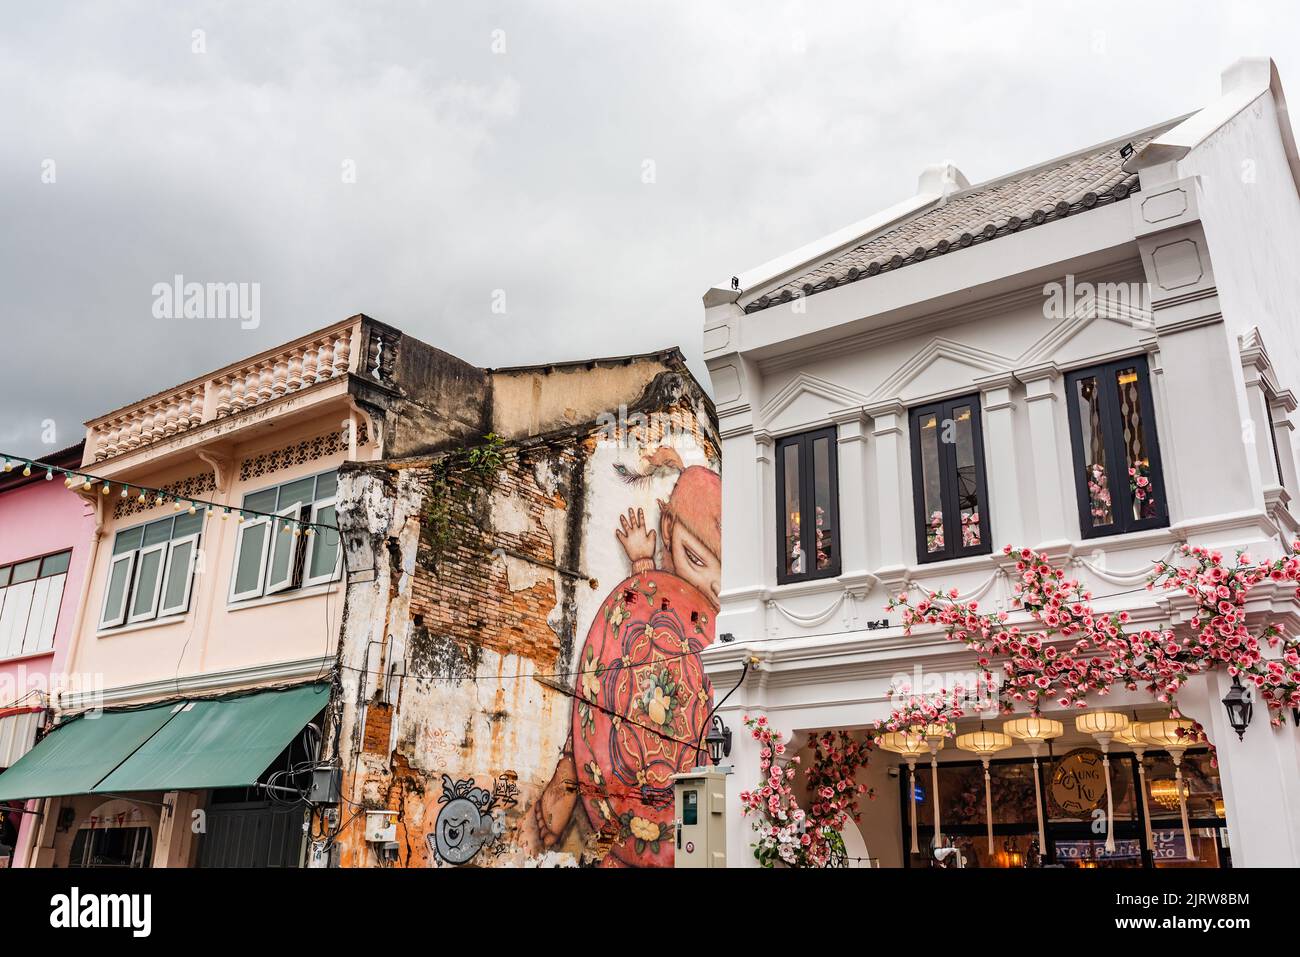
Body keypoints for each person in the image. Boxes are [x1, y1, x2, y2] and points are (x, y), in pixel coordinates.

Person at [525, 448, 720, 865]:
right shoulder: (649, 606)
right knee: (596, 714)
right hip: (620, 736)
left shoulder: (711, 632)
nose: (705, 582)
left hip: (662, 779)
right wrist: (641, 560)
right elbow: (637, 617)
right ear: (667, 525)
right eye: (695, 559)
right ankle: (570, 781)